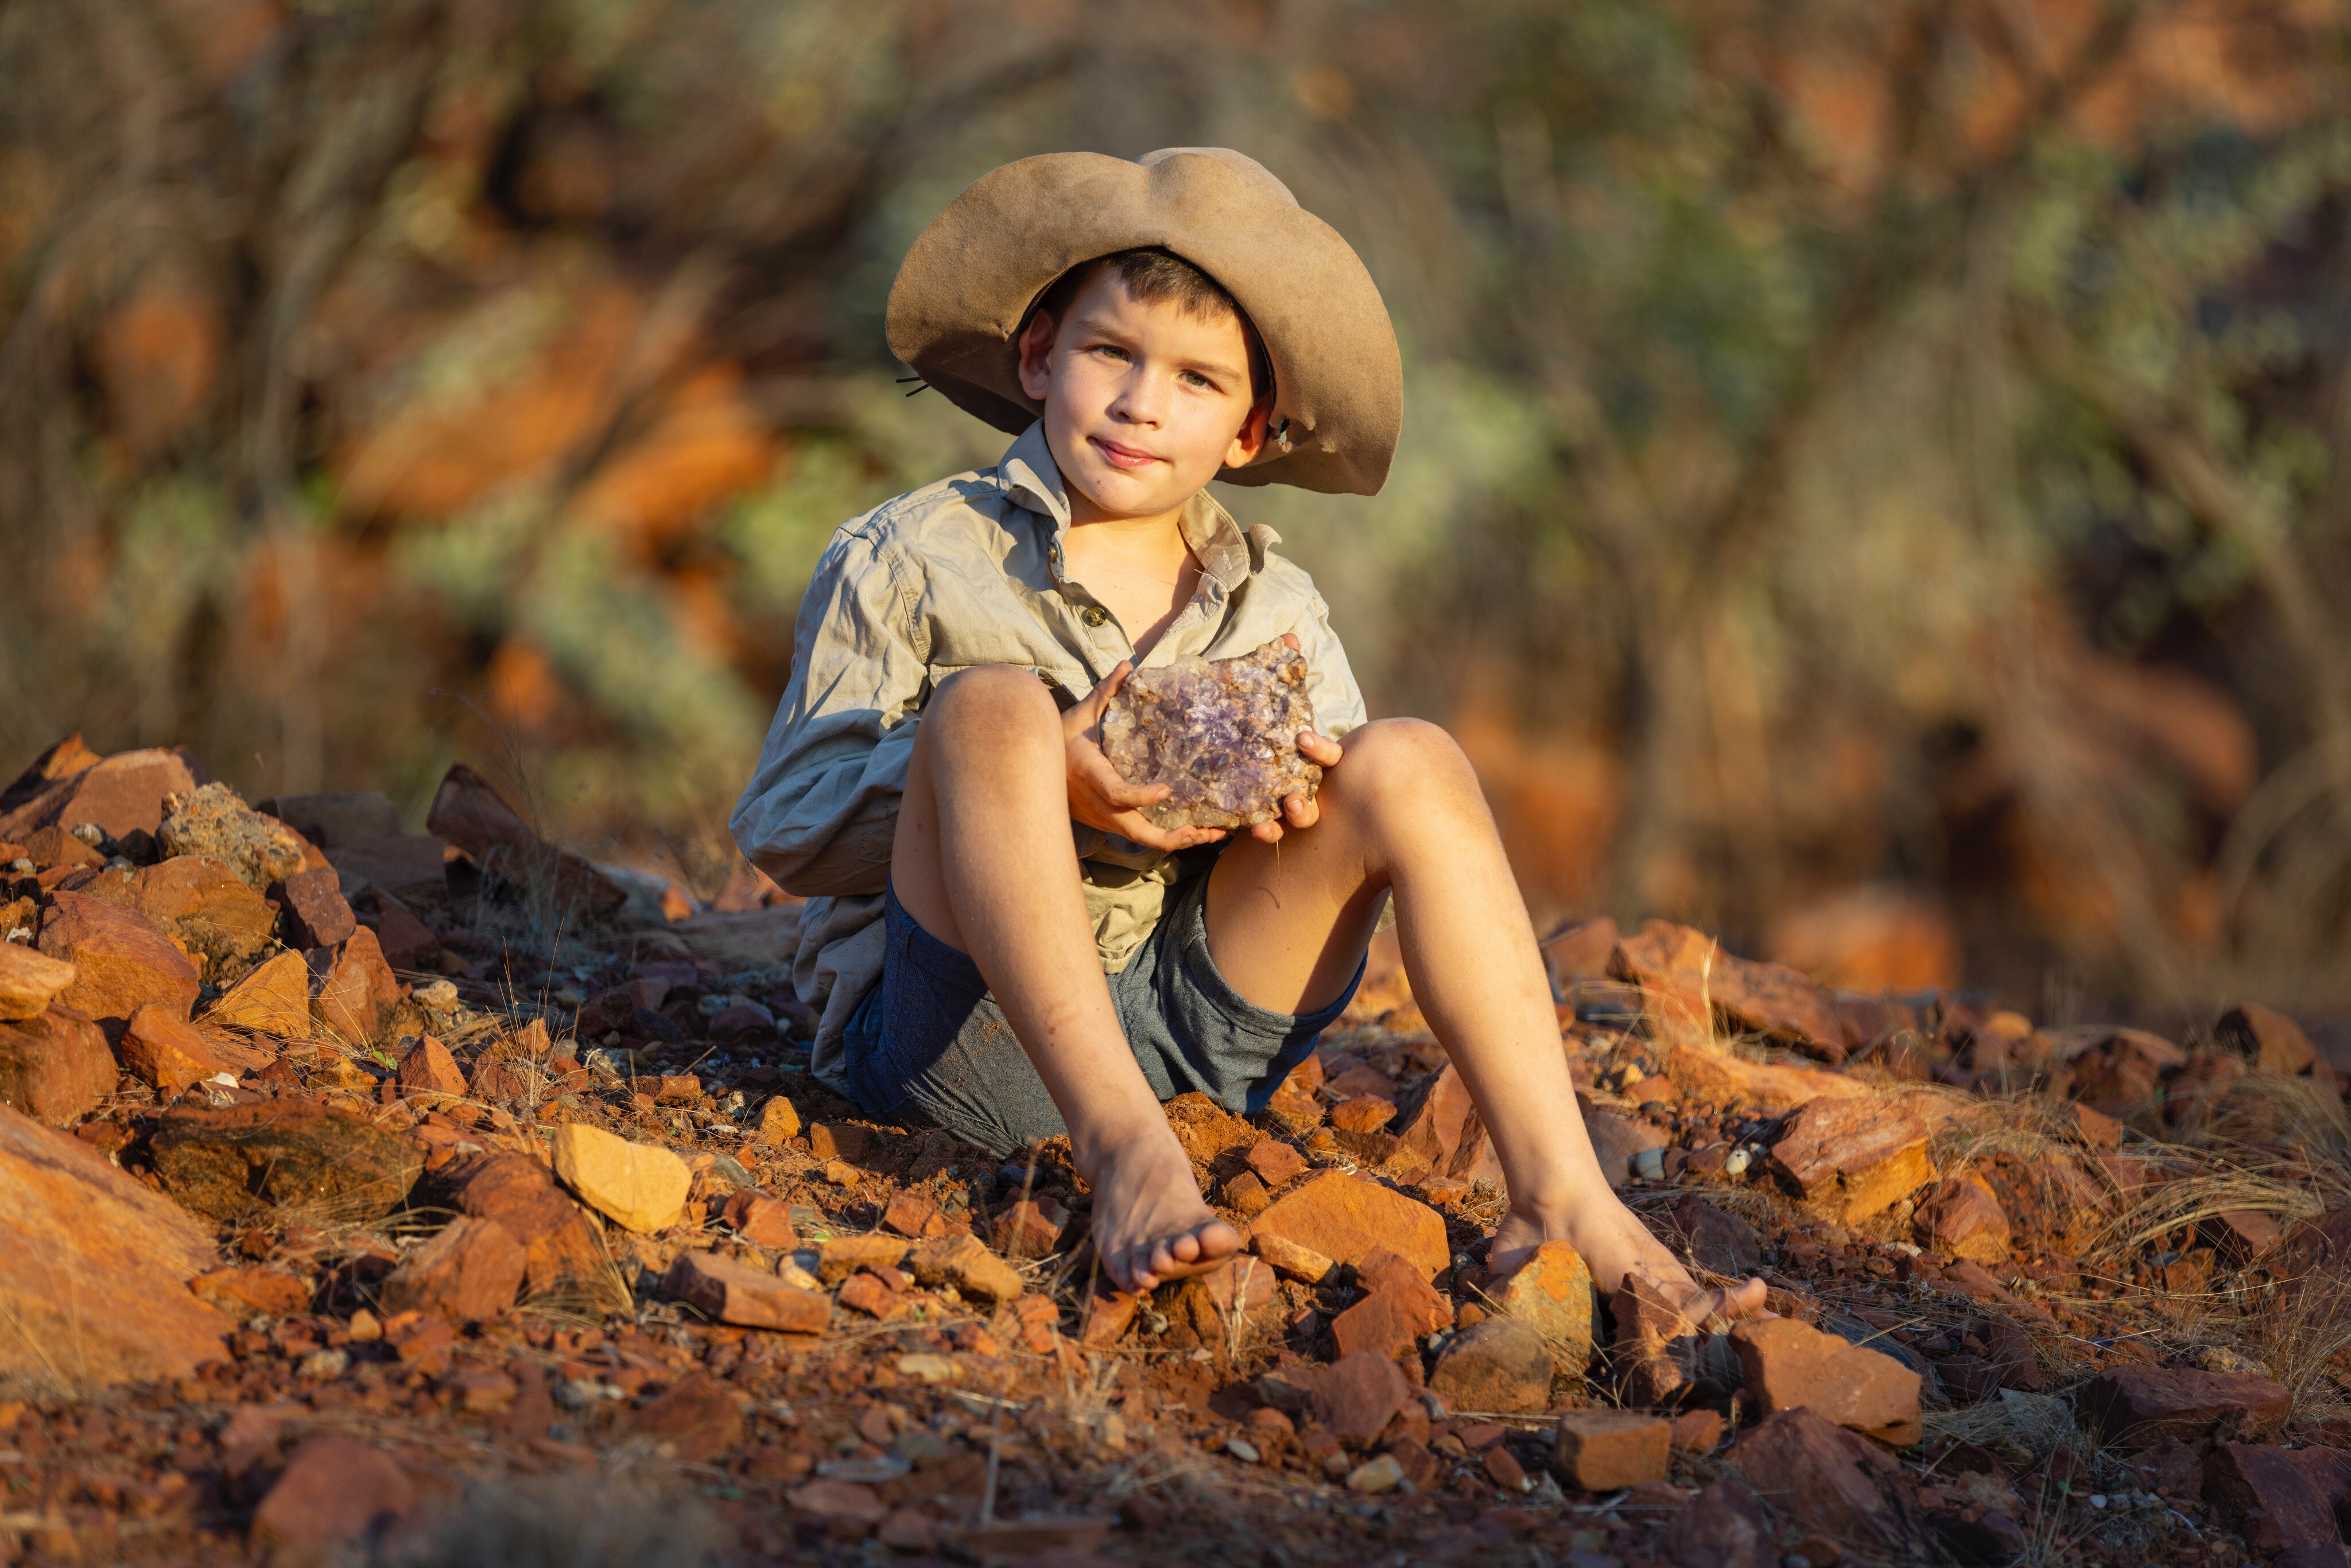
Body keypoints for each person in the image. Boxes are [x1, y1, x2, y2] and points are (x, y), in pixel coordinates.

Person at [732, 148, 1764, 1325]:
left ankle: (1561, 1194)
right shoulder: (912, 552)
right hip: (963, 1038)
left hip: (1192, 1027)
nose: (1139, 403)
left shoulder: (1275, 605)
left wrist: (1273, 808)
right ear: (1039, 358)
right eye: (1109, 353)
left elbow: (1335, 814)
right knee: (993, 709)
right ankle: (1124, 1154)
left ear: (1248, 430)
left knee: (1406, 757)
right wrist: (1024, 782)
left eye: (1195, 380)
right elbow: (784, 822)